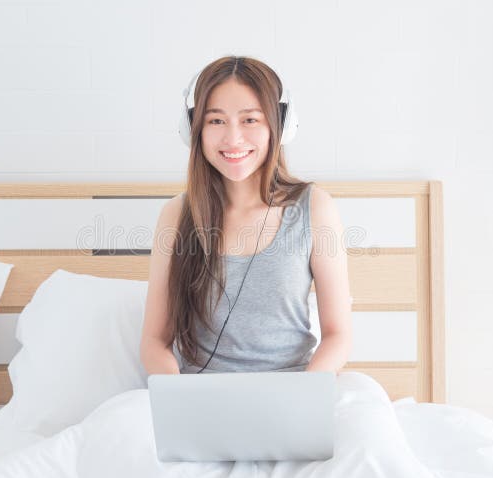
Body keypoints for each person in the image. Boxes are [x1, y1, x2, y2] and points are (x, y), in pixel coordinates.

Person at [140, 55, 351, 376]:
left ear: (279, 126)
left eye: (250, 120)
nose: (233, 138)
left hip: (293, 389)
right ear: (193, 129)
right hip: (202, 395)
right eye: (216, 121)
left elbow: (338, 335)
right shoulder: (177, 214)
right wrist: (177, 392)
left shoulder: (315, 208)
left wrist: (306, 391)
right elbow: (154, 341)